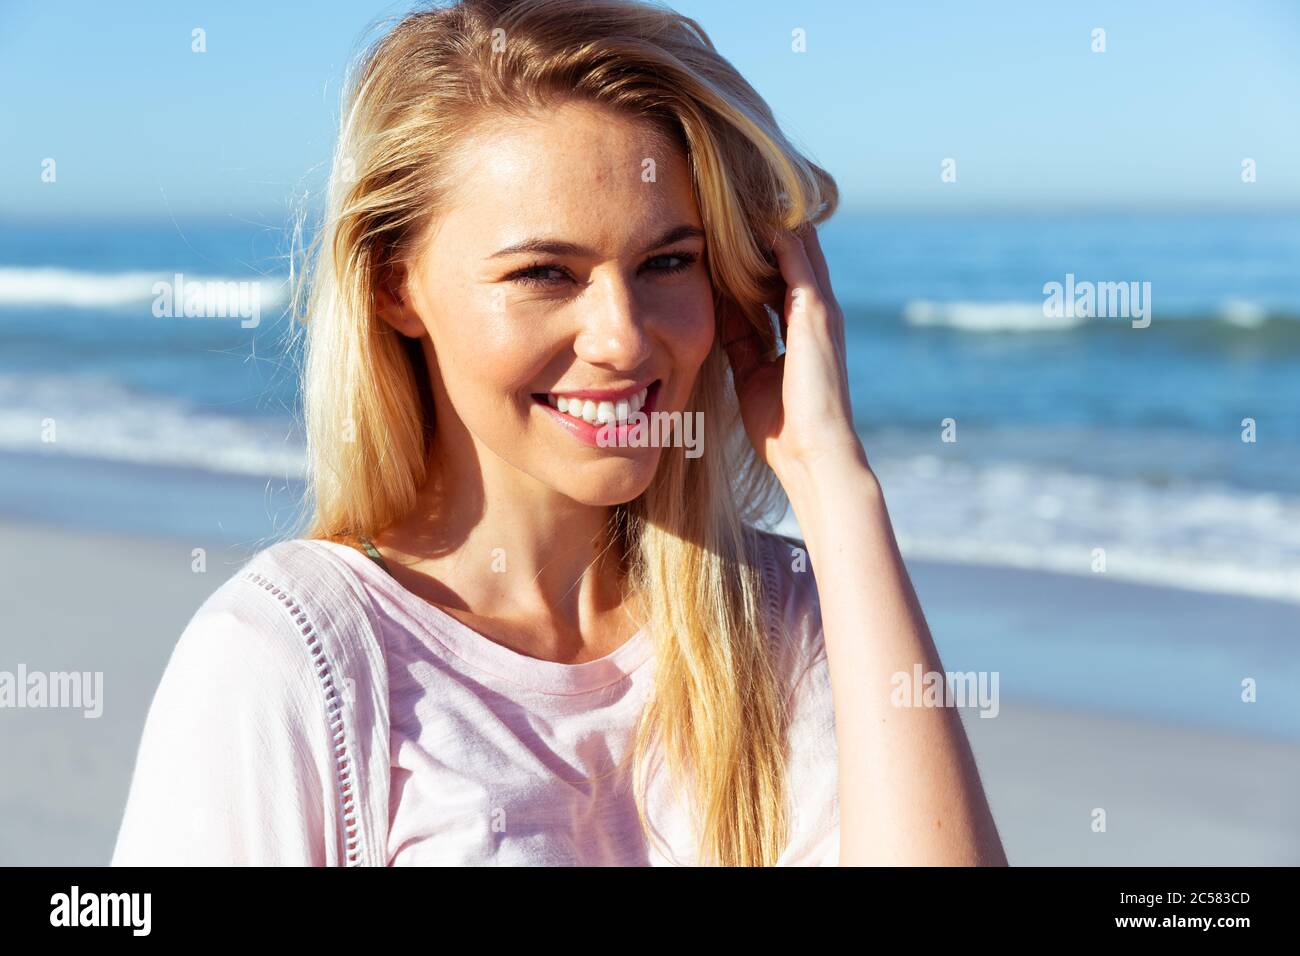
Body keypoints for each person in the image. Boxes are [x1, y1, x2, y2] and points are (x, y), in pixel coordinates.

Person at [110, 0, 1005, 867]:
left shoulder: (787, 620)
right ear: (394, 287)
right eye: (544, 272)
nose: (622, 337)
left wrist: (831, 483)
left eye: (667, 262)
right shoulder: (294, 660)